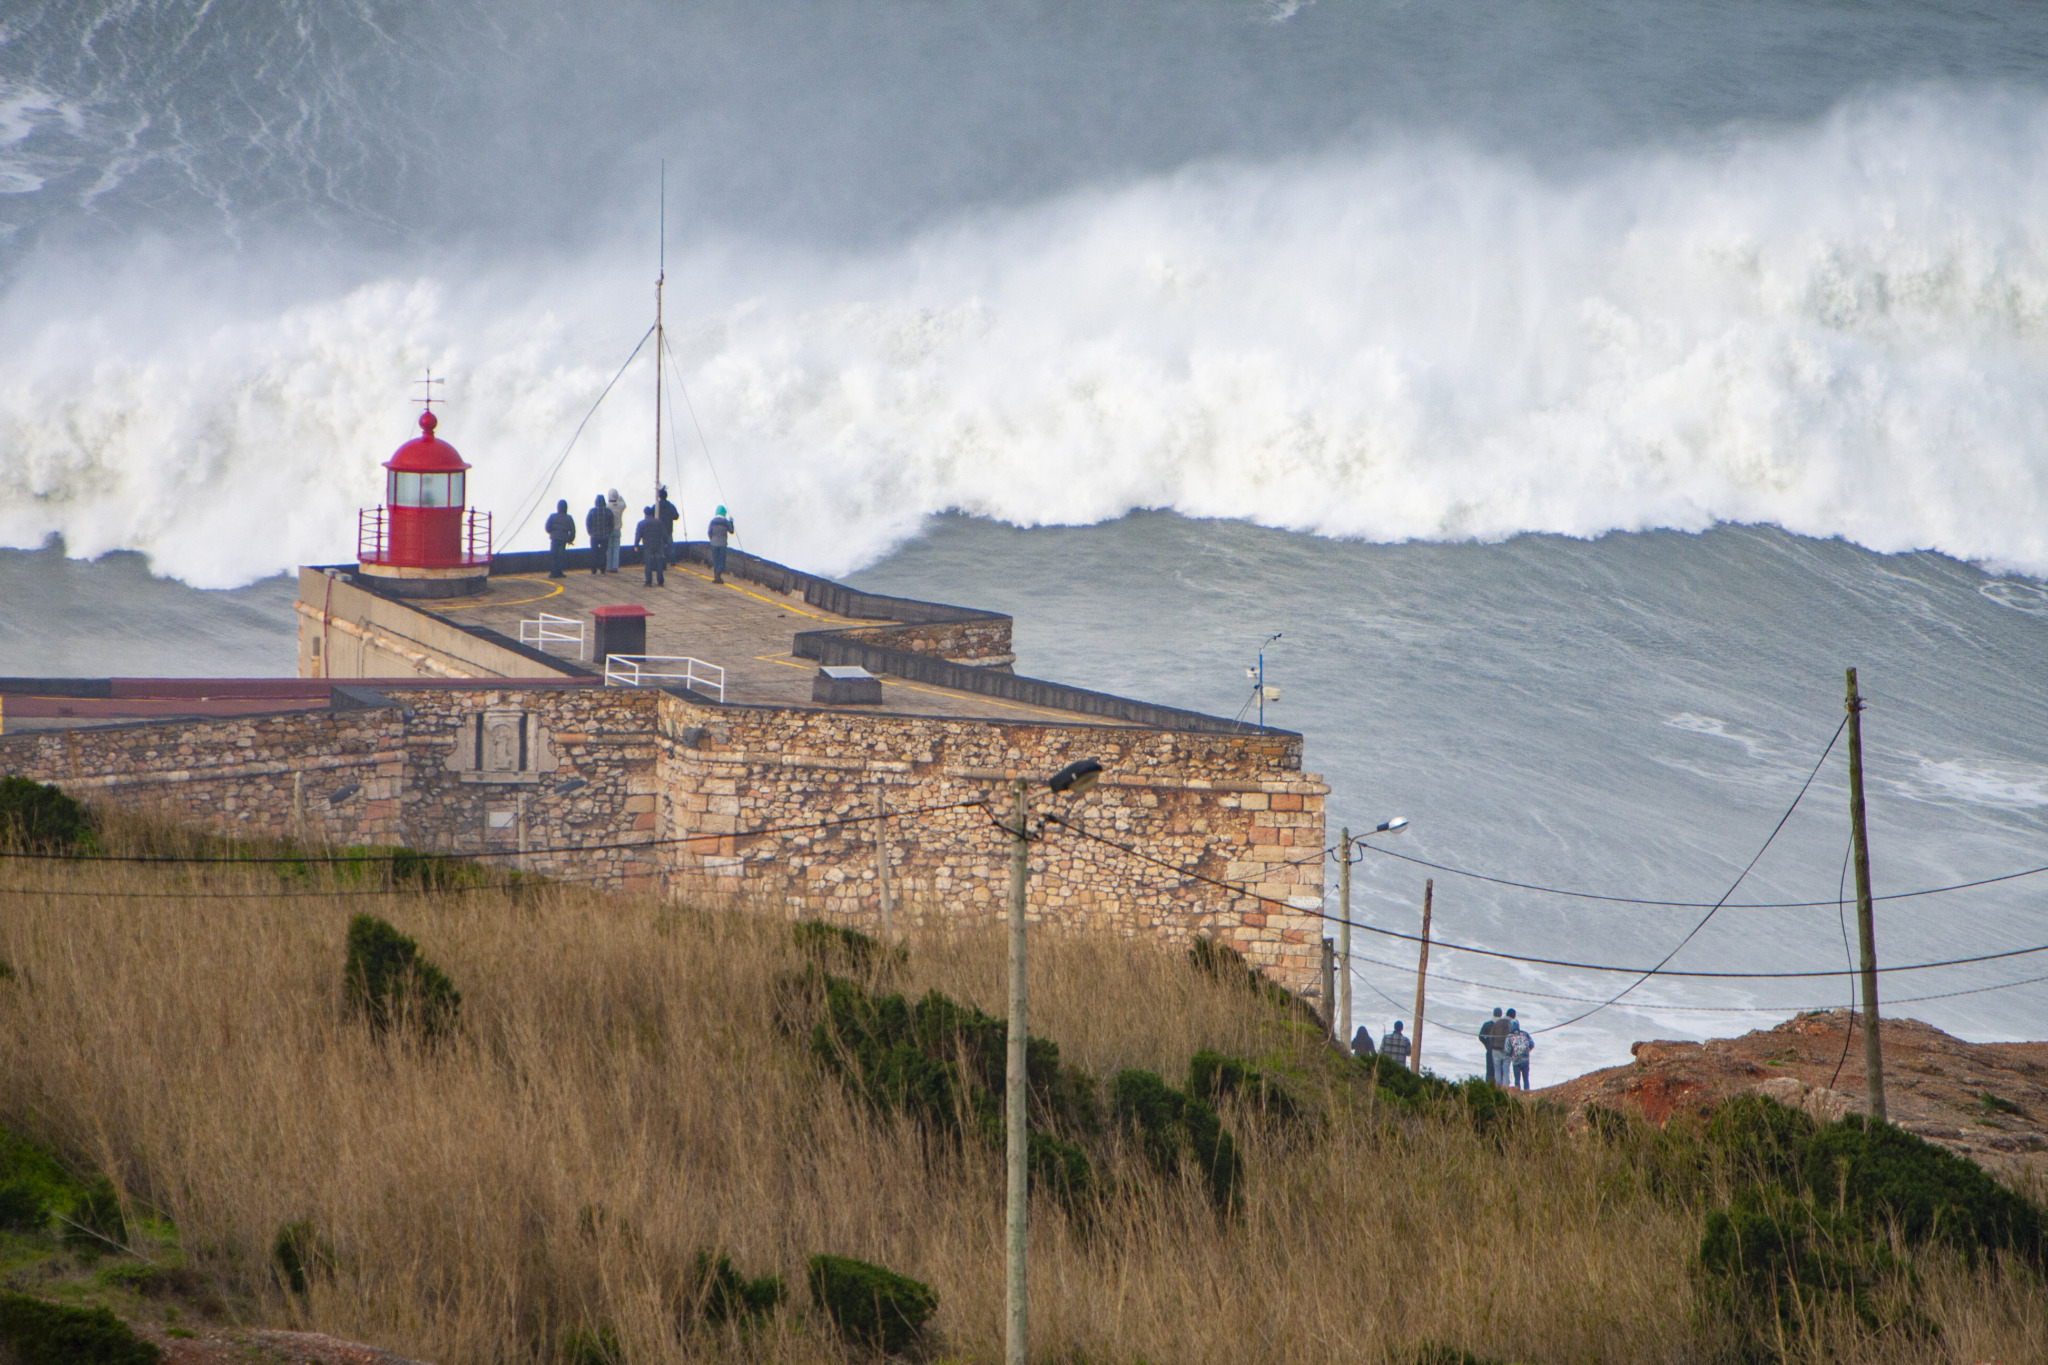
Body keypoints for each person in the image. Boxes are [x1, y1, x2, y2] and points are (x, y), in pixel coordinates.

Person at [634, 504, 668, 587]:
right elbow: (664, 534)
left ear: (645, 513)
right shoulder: (658, 522)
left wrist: (636, 545)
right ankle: (660, 581)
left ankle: (648, 582)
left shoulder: (641, 523)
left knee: (648, 563)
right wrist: (665, 542)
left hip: (647, 546)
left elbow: (638, 535)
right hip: (658, 545)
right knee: (659, 563)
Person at [544, 499, 576, 579]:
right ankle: (559, 572)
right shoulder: (568, 518)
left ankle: (553, 573)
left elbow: (547, 527)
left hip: (554, 538)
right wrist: (570, 539)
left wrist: (552, 533)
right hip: (563, 538)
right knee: (560, 556)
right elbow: (573, 530)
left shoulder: (552, 516)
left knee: (554, 556)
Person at [585, 495, 615, 575]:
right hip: (605, 536)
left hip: (594, 536)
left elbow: (588, 522)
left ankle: (593, 569)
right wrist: (609, 533)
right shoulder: (608, 511)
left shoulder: (592, 511)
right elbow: (611, 524)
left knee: (594, 553)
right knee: (603, 553)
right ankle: (602, 569)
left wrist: (590, 532)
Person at [1479, 1007, 1509, 1086]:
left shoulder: (1487, 1024)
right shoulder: (1504, 1025)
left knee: (1489, 1070)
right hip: (1501, 1049)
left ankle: (1488, 1088)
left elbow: (1481, 1036)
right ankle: (1499, 1088)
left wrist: (1487, 1045)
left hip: (1490, 1050)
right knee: (1500, 1070)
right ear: (1501, 1015)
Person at [707, 504, 735, 584]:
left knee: (715, 560)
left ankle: (716, 577)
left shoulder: (712, 521)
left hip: (714, 544)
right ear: (724, 513)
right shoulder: (725, 522)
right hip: (722, 544)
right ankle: (718, 574)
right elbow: (731, 531)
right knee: (721, 561)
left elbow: (709, 532)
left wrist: (712, 540)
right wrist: (731, 522)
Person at [1505, 1019, 1534, 1091]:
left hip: (1516, 1061)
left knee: (1517, 1078)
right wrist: (1527, 1052)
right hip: (1526, 1059)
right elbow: (1532, 1044)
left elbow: (1507, 1050)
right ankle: (1527, 1091)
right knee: (1526, 1077)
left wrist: (1511, 1055)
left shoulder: (1509, 1037)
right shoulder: (1525, 1033)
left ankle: (1518, 1093)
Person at [604, 488, 626, 573]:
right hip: (617, 529)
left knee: (609, 548)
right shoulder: (620, 506)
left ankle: (608, 567)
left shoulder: (607, 506)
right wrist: (619, 497)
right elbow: (624, 504)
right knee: (616, 549)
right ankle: (615, 567)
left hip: (609, 530)